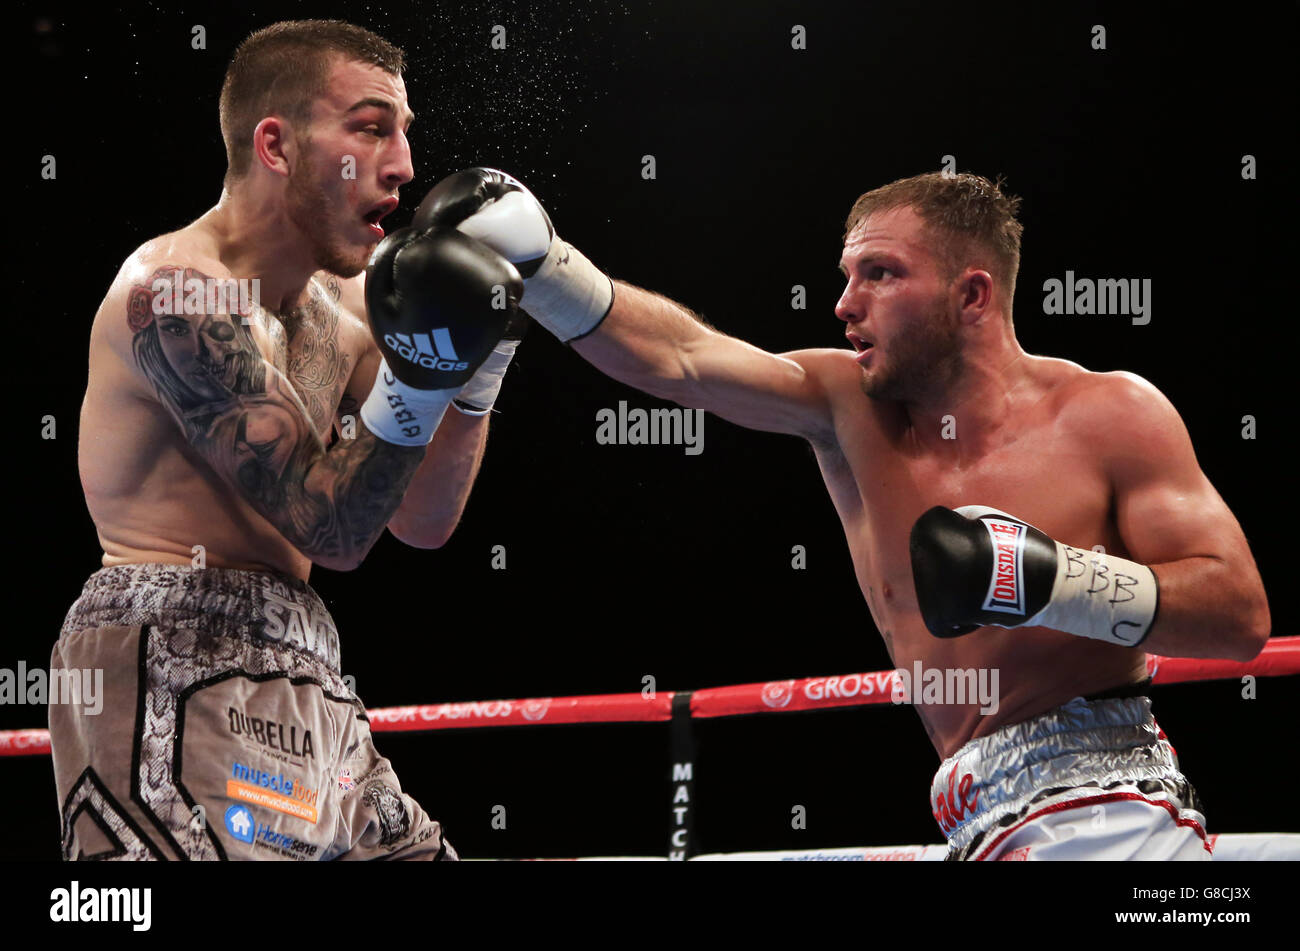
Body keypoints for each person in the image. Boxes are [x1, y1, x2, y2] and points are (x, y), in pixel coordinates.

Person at [439, 166, 1271, 860]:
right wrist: (547, 267)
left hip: (1107, 808)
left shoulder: (1111, 413)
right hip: (978, 821)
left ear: (972, 294)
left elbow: (1238, 616)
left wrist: (1049, 578)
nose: (844, 304)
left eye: (879, 274)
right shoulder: (847, 407)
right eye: (846, 276)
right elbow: (683, 360)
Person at [52, 20, 525, 860]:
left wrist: (476, 366)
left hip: (310, 669)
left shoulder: (342, 309)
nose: (405, 165)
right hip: (173, 654)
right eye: (372, 127)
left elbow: (422, 518)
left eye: (405, 132)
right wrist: (422, 371)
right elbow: (331, 527)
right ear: (276, 144)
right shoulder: (177, 294)